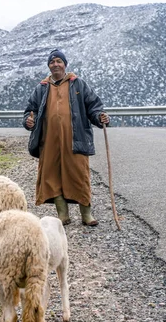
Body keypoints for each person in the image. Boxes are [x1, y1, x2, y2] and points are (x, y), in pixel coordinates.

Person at [23, 49, 109, 226]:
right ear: (49, 66)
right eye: (52, 62)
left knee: (79, 175)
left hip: (75, 140)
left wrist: (100, 116)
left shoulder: (78, 84)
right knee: (52, 176)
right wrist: (28, 121)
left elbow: (93, 106)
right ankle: (63, 215)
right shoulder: (42, 88)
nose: (55, 64)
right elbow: (29, 111)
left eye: (59, 61)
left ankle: (86, 214)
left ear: (65, 64)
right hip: (48, 142)